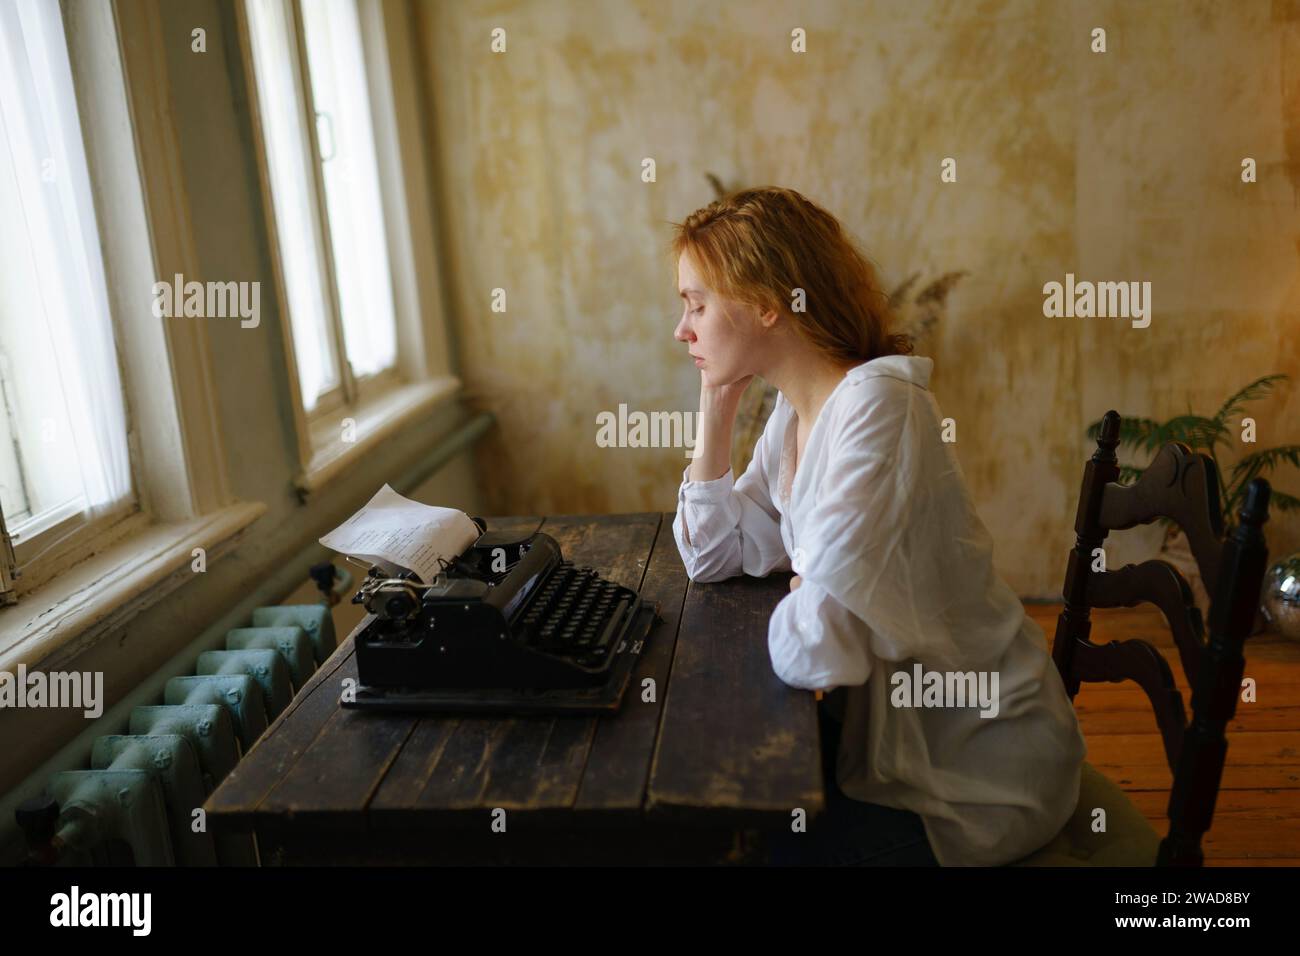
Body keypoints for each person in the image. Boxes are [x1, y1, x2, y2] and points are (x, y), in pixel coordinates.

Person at [669, 186, 1086, 866]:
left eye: (697, 303)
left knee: (735, 847)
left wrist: (812, 589)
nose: (682, 329)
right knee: (704, 821)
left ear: (769, 302)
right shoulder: (795, 413)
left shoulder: (878, 409)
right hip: (889, 741)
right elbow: (714, 555)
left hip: (975, 770)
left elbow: (820, 652)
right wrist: (715, 403)